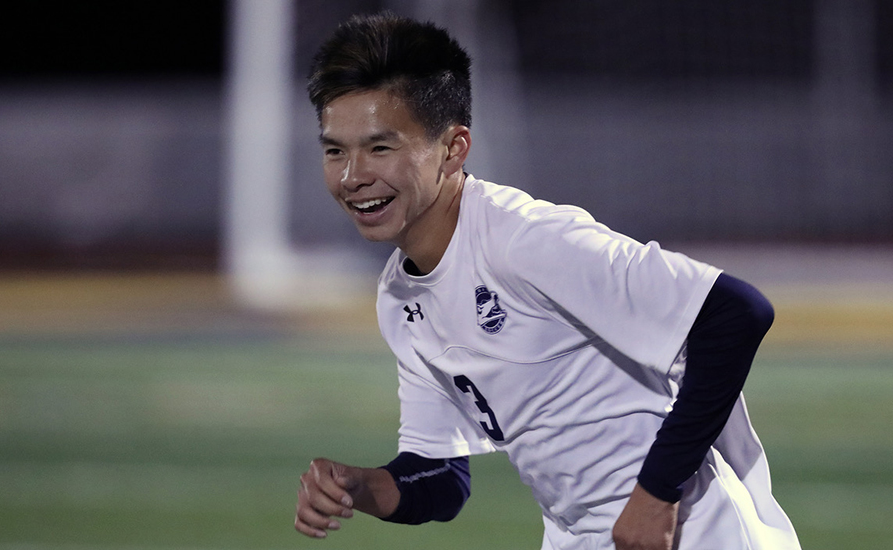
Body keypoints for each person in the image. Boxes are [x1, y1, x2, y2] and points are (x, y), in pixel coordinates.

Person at [295, 12, 801, 550]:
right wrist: (360, 487)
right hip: (578, 536)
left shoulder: (525, 240)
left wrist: (655, 493)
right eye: (335, 151)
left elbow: (735, 313)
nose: (352, 176)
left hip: (694, 529)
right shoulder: (399, 298)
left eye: (379, 148)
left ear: (453, 149)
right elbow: (441, 479)